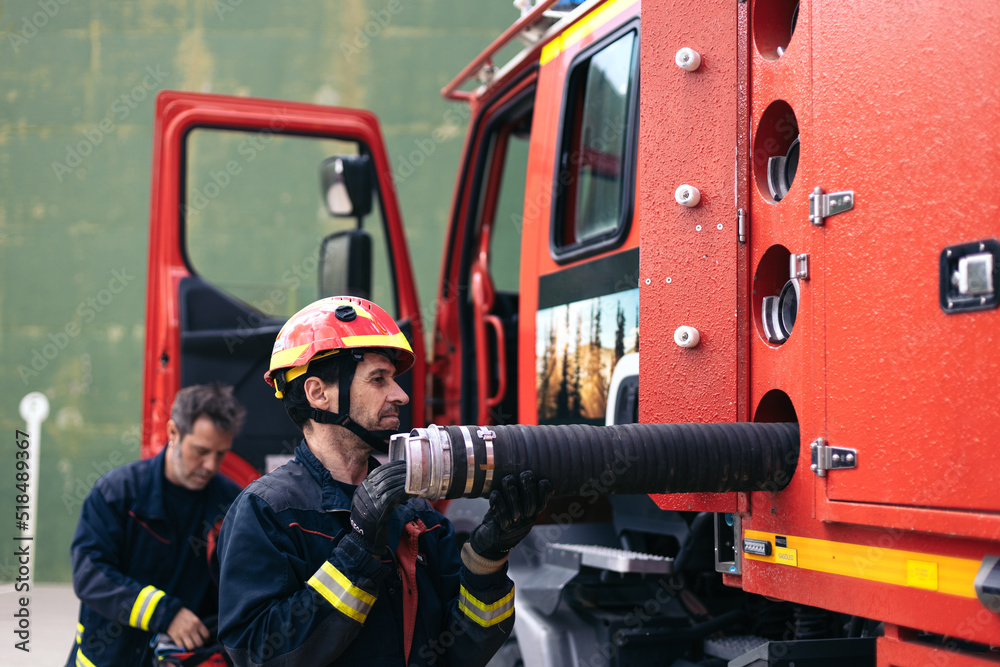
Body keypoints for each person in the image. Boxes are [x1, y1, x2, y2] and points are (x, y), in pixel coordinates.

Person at [217, 296, 552, 666]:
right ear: (318, 393)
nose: (401, 395)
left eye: (393, 380)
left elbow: (461, 653)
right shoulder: (268, 513)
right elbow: (257, 654)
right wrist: (358, 553)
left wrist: (487, 562)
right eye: (379, 379)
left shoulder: (415, 513)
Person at [67, 384, 246, 667]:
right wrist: (165, 614)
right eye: (201, 451)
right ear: (173, 432)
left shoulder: (234, 505)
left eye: (221, 454)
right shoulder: (117, 493)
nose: (211, 465)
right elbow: (90, 575)